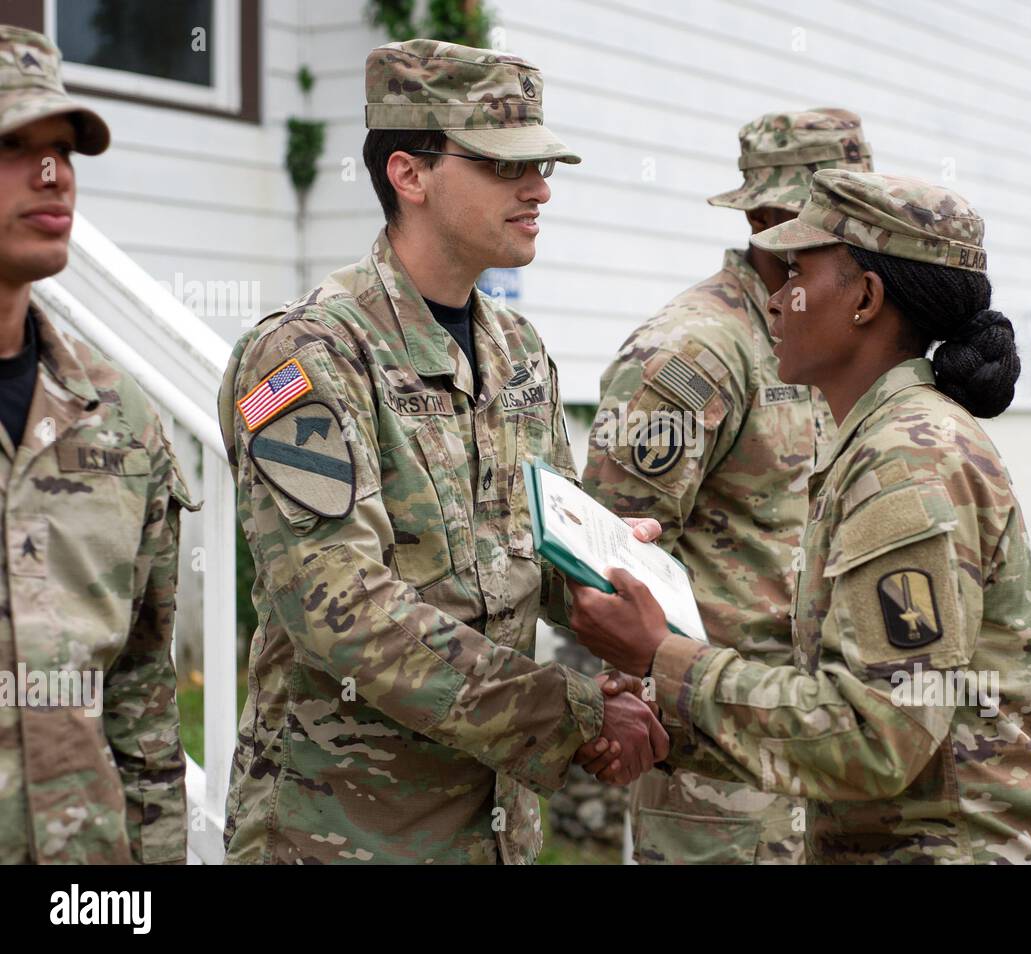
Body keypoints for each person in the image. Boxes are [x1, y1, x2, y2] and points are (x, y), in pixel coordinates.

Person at [218, 39, 665, 865]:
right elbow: (338, 610)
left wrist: (622, 584)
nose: (540, 188)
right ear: (408, 174)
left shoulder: (518, 349)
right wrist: (568, 713)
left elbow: (544, 541)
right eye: (504, 166)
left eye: (541, 165)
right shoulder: (306, 357)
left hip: (493, 830)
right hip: (342, 834)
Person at [567, 169, 1031, 864]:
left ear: (866, 299)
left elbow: (874, 738)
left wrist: (664, 658)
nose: (776, 301)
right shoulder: (882, 438)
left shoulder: (907, 465)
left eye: (796, 274)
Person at [580, 108, 867, 865]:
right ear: (773, 216)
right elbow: (610, 553)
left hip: (822, 734)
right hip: (721, 764)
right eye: (842, 218)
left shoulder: (827, 333)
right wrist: (635, 703)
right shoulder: (696, 353)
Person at [0, 25, 195, 864]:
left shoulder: (121, 421)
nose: (54, 175)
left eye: (64, 149)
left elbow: (143, 704)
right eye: (14, 145)